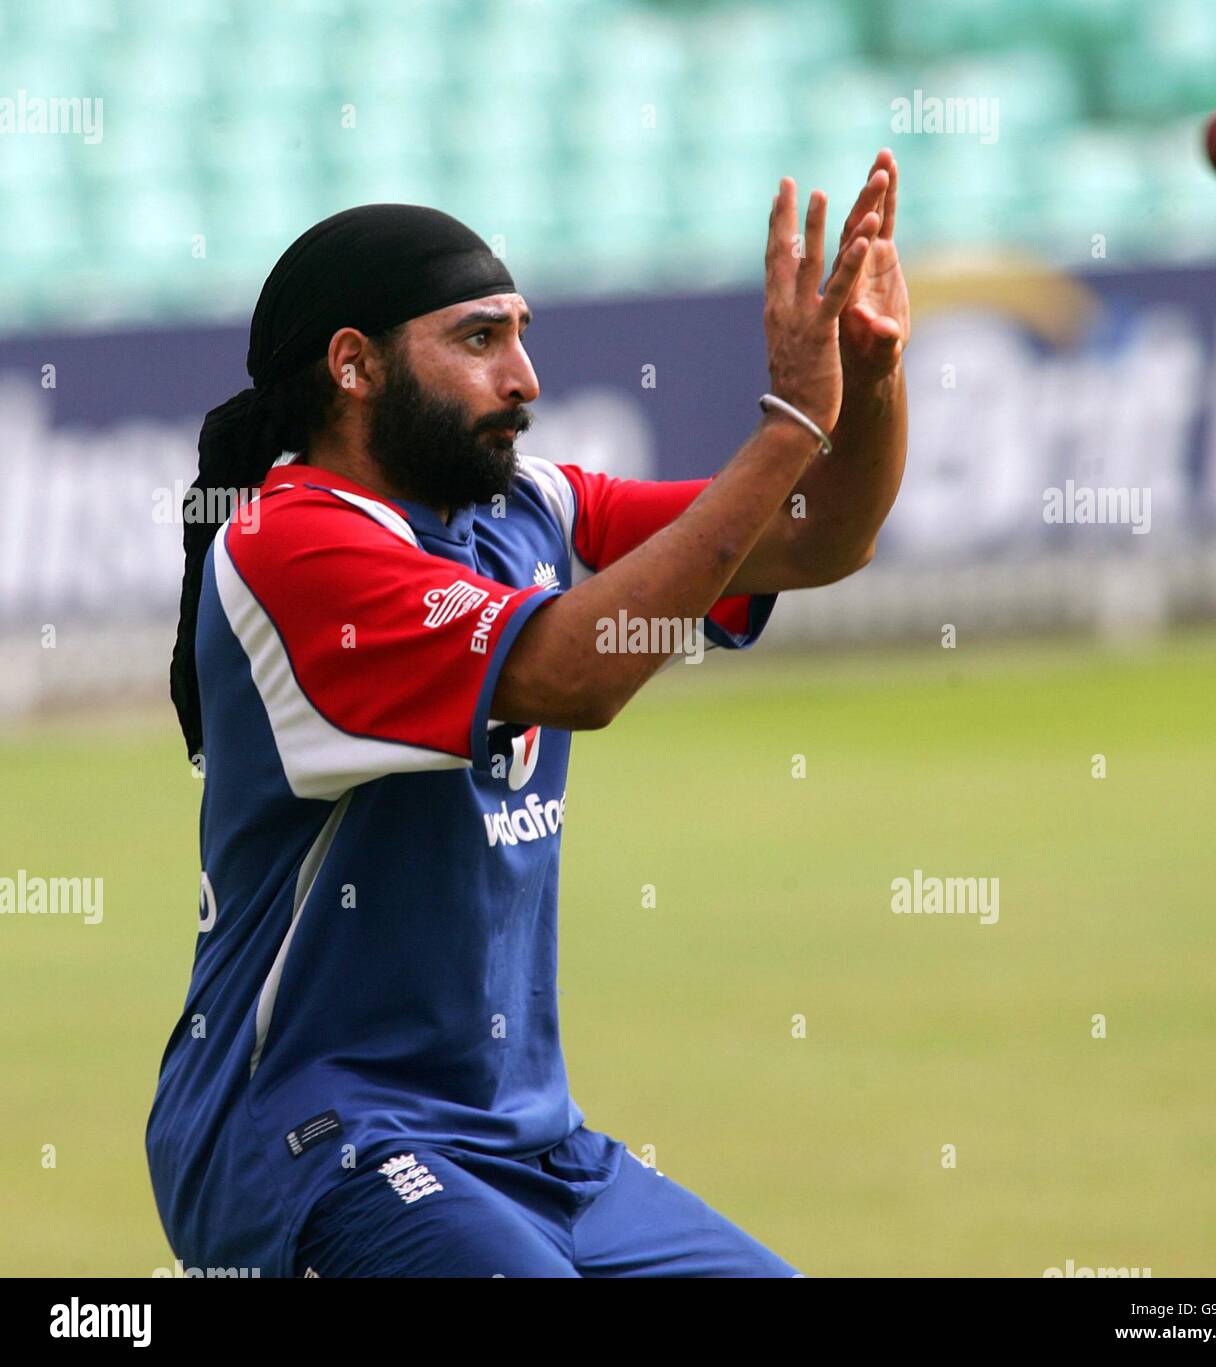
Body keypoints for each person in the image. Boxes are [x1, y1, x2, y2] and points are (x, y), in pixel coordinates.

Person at [146, 153, 910, 1277]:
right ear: (352, 365)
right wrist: (789, 418)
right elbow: (575, 675)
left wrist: (866, 376)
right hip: (311, 1139)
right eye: (478, 338)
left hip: (524, 1142)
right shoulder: (291, 544)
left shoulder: (529, 503)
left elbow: (814, 537)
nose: (524, 375)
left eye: (520, 331)